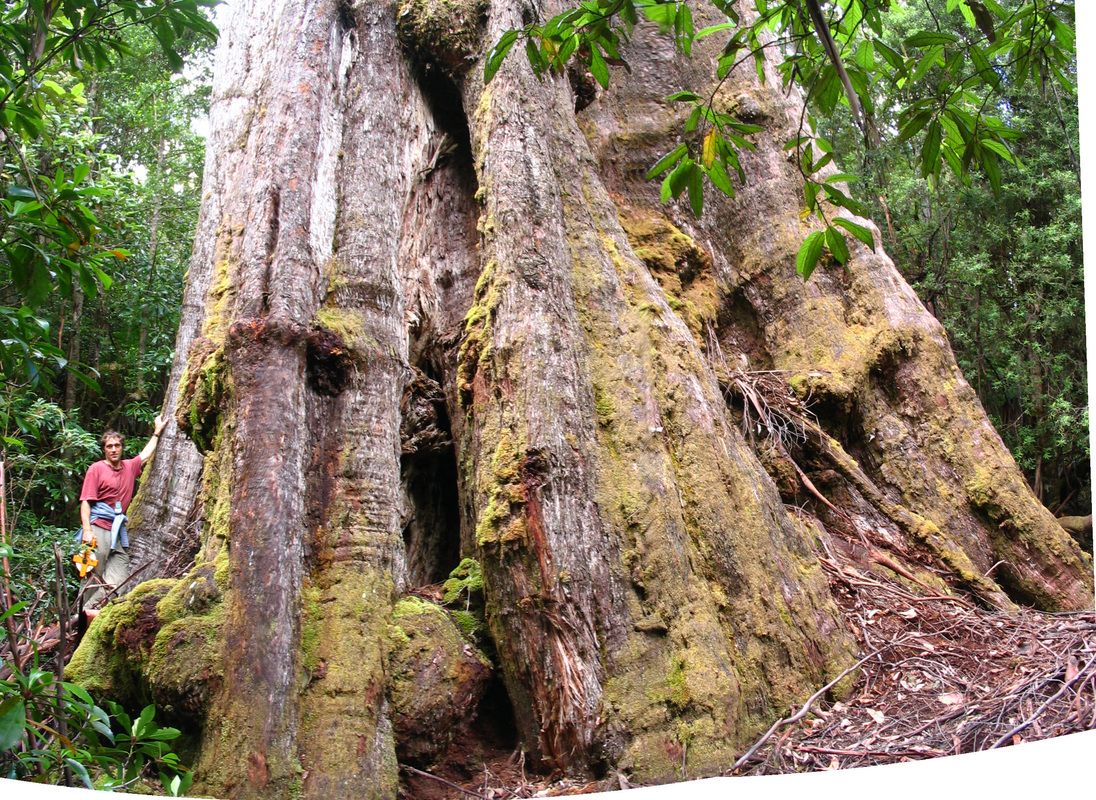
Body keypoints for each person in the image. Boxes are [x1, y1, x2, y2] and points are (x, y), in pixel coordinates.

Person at [78, 415, 166, 612]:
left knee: (119, 576)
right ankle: (80, 618)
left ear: (122, 447)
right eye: (109, 446)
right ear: (104, 449)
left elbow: (145, 455)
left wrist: (157, 431)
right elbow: (86, 502)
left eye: (117, 445)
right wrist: (86, 530)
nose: (114, 449)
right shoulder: (97, 469)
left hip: (117, 532)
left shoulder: (129, 467)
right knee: (92, 573)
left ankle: (90, 611)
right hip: (98, 527)